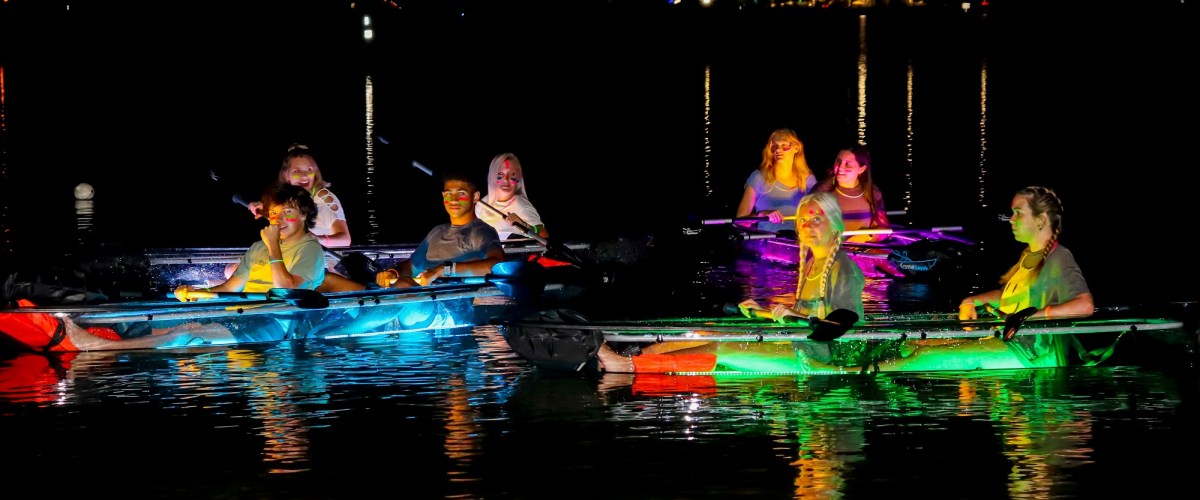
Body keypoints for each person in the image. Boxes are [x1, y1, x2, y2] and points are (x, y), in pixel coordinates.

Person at [596, 192, 864, 373]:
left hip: (821, 355)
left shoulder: (844, 269)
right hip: (799, 342)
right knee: (704, 334)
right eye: (803, 220)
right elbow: (801, 318)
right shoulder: (811, 265)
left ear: (835, 224)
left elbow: (841, 326)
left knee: (720, 348)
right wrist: (764, 311)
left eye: (817, 219)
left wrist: (793, 316)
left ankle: (628, 367)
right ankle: (633, 357)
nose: (808, 225)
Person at [958, 186, 1093, 321]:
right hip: (1010, 340)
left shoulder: (1058, 256)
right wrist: (971, 301)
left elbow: (1084, 306)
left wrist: (1025, 318)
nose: (1011, 219)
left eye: (1018, 213)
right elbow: (1007, 298)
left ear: (1041, 220)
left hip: (1035, 342)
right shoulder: (1027, 256)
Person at [177, 183, 325, 299]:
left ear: (303, 215)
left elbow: (287, 292)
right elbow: (229, 288)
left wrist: (273, 245)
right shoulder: (258, 247)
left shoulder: (310, 249)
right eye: (274, 213)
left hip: (274, 320)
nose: (279, 219)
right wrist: (196, 294)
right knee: (170, 332)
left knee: (180, 335)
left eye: (287, 212)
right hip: (242, 314)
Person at [374, 172, 505, 289]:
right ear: (443, 196)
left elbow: (496, 265)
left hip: (455, 303)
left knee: (404, 285)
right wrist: (392, 273)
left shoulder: (481, 232)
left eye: (461, 193)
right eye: (449, 194)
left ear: (475, 197)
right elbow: (412, 266)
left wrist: (443, 270)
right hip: (422, 299)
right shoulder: (437, 232)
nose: (453, 200)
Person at [246, 144, 351, 248]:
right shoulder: (289, 198)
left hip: (325, 260)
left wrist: (318, 239)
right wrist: (265, 209)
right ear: (286, 175)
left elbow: (345, 240)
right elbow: (288, 219)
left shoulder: (324, 198)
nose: (304, 175)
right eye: (297, 171)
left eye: (309, 169)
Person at [735, 128, 817, 234]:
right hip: (768, 242)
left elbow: (820, 214)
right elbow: (739, 222)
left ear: (796, 148)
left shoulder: (807, 180)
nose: (778, 150)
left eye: (785, 146)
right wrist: (761, 214)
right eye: (774, 146)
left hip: (798, 243)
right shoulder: (759, 178)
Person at [814, 146, 890, 244]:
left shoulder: (872, 192)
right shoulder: (822, 190)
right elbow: (806, 224)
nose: (840, 168)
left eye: (848, 165)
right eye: (838, 161)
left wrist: (866, 236)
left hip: (861, 254)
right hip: (830, 254)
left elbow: (885, 230)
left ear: (861, 169)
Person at [475, 152, 550, 240]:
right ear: (492, 176)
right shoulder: (481, 205)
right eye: (501, 174)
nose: (506, 180)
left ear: (518, 179)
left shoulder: (523, 206)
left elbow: (544, 237)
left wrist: (525, 226)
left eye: (512, 174)